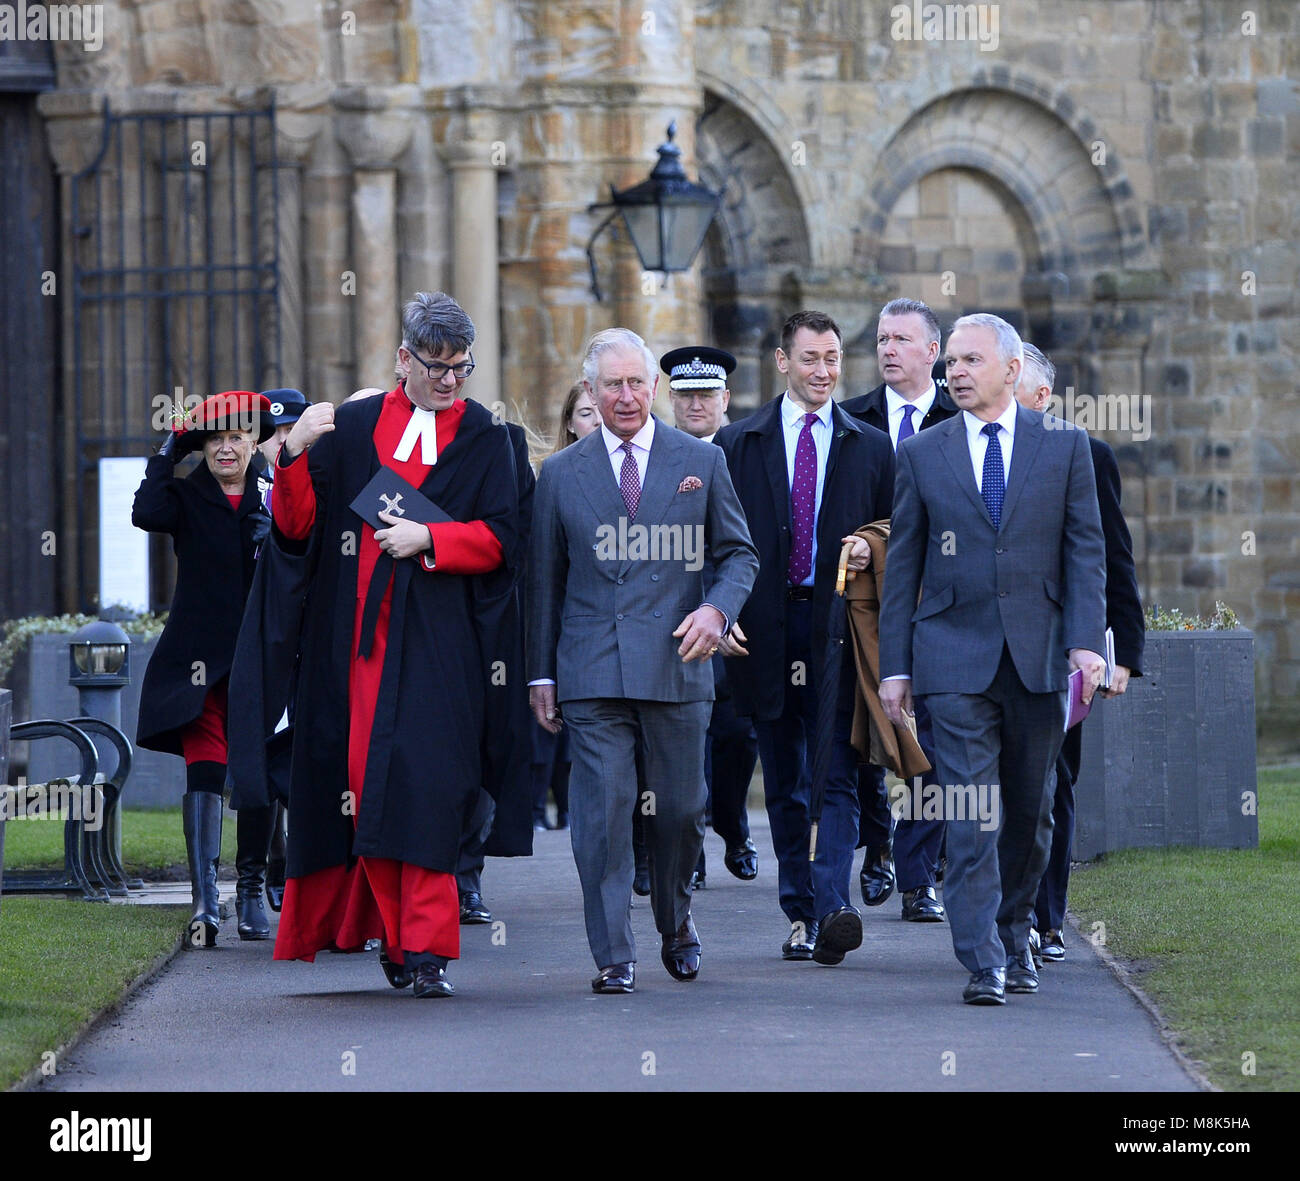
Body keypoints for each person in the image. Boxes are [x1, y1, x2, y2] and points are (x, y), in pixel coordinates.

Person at [268, 291, 526, 1000]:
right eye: (436, 367)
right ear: (402, 359)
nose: (449, 382)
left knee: (430, 787)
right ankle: (392, 930)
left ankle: (429, 947)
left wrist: (432, 538)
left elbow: (505, 537)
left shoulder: (483, 435)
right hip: (356, 647)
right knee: (364, 786)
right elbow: (298, 528)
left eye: (461, 368)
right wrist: (290, 453)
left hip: (443, 648)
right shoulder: (351, 428)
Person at [878, 313, 1107, 1006]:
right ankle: (982, 958)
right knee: (973, 811)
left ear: (1012, 370)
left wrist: (1087, 643)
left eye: (971, 359)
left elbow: (1085, 551)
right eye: (950, 359)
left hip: (1038, 658)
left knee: (1032, 814)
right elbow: (904, 566)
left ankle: (1015, 933)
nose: (956, 370)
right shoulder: (922, 452)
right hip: (951, 656)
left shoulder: (1065, 448)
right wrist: (896, 666)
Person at [527, 327, 758, 994]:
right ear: (591, 393)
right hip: (591, 668)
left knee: (683, 809)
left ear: (652, 387)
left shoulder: (699, 461)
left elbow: (738, 554)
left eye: (635, 383)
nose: (625, 397)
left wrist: (717, 610)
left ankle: (675, 918)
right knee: (602, 811)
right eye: (611, 385)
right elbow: (544, 579)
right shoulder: (561, 474)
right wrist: (542, 671)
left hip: (679, 662)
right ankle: (612, 951)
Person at [716, 311, 895, 966]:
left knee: (837, 771)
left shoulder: (871, 447)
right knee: (786, 774)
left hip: (840, 628)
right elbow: (713, 541)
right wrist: (719, 610)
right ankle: (802, 908)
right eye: (811, 358)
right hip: (761, 628)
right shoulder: (739, 443)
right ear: (782, 362)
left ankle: (831, 907)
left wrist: (871, 545)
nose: (824, 371)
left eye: (833, 358)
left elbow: (897, 530)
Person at [1015, 343, 1144, 962]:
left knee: (1055, 780)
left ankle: (1047, 917)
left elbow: (1114, 559)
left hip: (1065, 652)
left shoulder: (1087, 455)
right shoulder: (955, 448)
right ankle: (1003, 918)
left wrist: (1121, 653)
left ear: (1041, 396)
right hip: (983, 651)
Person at [133, 391, 274, 947]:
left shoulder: (272, 492)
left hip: (259, 656)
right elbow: (145, 512)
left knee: (258, 778)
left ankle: (248, 892)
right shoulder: (186, 497)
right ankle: (204, 901)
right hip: (198, 662)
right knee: (206, 773)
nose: (225, 448)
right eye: (214, 438)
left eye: (236, 437)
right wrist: (170, 445)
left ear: (253, 442)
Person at [841, 299, 959, 922]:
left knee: (931, 740)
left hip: (940, 604)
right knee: (869, 728)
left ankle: (918, 876)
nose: (887, 349)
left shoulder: (959, 417)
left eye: (902, 340)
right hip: (868, 606)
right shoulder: (850, 420)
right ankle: (877, 842)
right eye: (882, 338)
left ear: (931, 352)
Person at [663, 345, 759, 886]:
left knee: (736, 734)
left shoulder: (746, 451)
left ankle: (734, 824)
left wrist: (729, 609)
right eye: (686, 395)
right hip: (675, 617)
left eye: (707, 395)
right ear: (672, 400)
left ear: (725, 398)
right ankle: (691, 848)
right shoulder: (655, 452)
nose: (696, 405)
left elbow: (751, 542)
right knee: (685, 736)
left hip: (735, 614)